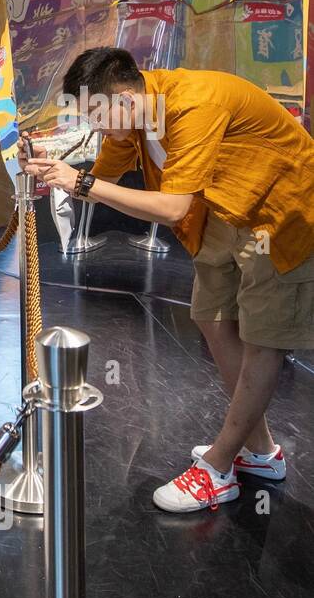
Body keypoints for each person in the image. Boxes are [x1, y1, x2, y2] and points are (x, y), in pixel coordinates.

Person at [26, 47, 314, 514]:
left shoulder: (194, 104)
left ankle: (219, 469)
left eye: (95, 116)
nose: (94, 127)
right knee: (213, 317)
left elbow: (173, 207)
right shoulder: (140, 110)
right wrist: (54, 169)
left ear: (121, 97)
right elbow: (107, 174)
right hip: (223, 212)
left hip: (280, 215)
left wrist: (76, 183)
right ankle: (260, 453)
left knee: (265, 340)